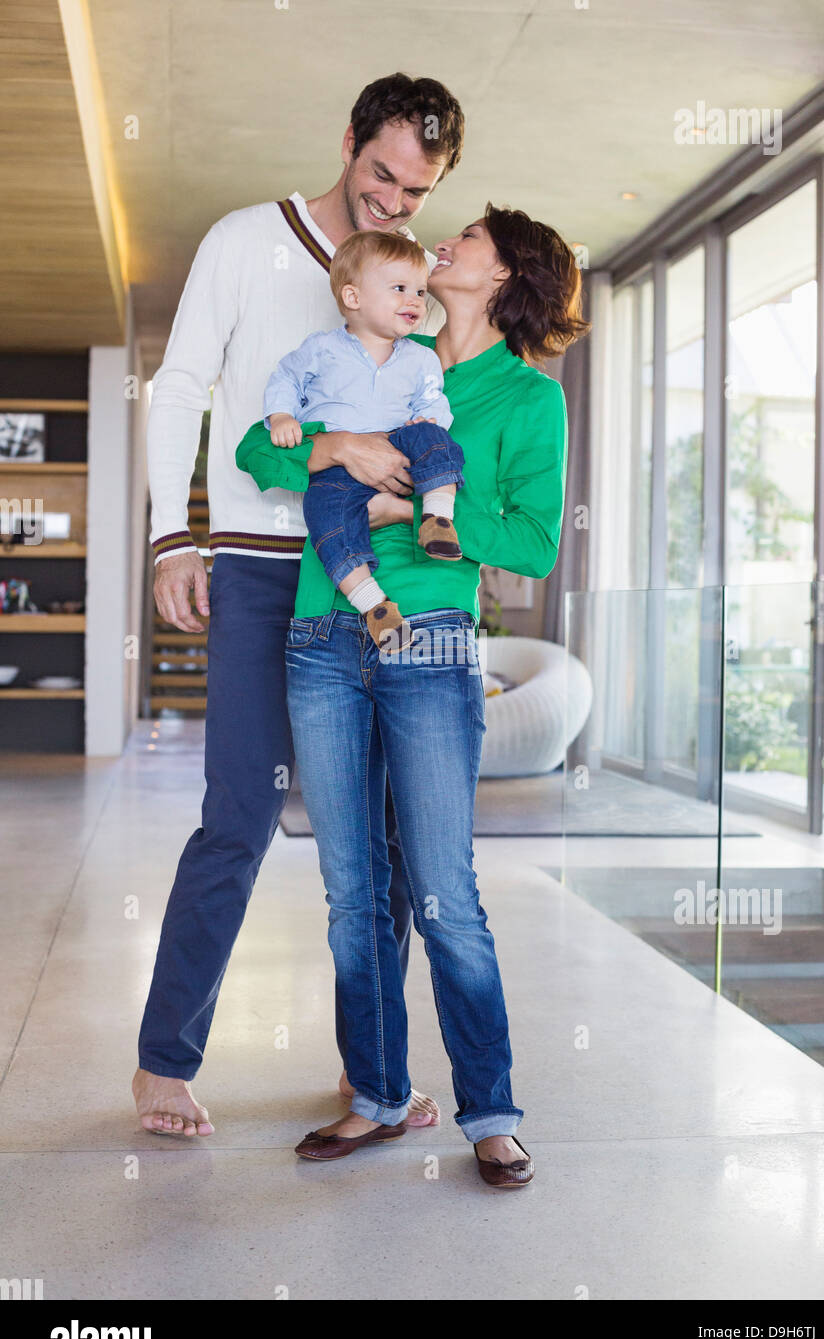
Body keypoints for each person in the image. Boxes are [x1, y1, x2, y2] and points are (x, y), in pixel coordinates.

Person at [133, 73, 465, 1139]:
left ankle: (366, 1069)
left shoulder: (404, 286)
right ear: (348, 143)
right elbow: (181, 385)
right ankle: (163, 1062)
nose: (392, 202)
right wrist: (170, 533)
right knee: (237, 815)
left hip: (364, 578)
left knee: (376, 838)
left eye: (415, 191)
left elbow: (427, 427)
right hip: (255, 563)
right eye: (380, 175)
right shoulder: (244, 241)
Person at [237, 203, 589, 1186]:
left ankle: (489, 1110)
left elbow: (528, 543)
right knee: (353, 894)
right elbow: (258, 453)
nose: (447, 240)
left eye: (471, 239)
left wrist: (407, 501)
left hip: (429, 637)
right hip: (321, 632)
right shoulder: (373, 341)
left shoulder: (524, 399)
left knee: (440, 890)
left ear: (506, 278)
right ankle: (378, 1097)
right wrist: (336, 448)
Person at [264, 230, 467, 651]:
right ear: (353, 298)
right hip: (338, 471)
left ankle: (437, 518)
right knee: (326, 520)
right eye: (399, 289)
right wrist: (281, 415)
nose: (414, 300)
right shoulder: (322, 349)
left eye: (419, 291)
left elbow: (435, 401)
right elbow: (285, 377)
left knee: (437, 440)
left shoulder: (421, 357)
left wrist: (431, 420)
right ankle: (373, 605)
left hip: (400, 443)